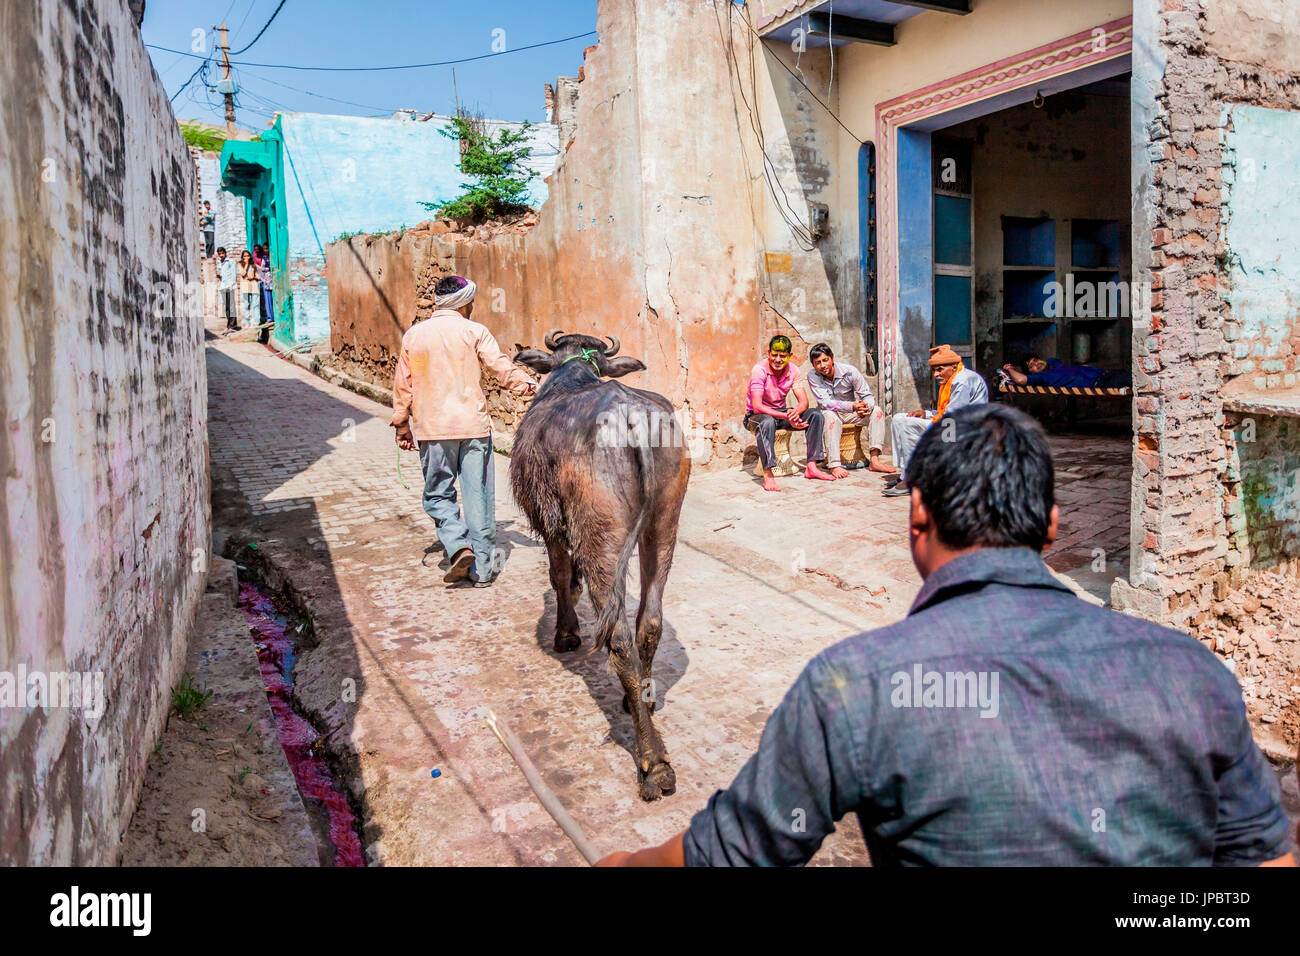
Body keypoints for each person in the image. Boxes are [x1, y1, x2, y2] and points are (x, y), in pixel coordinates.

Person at [596, 404, 1296, 867]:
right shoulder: (1190, 670)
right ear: (1051, 524)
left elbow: (727, 856)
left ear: (917, 515)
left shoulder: (853, 686)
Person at [390, 275, 538, 587]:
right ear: (463, 303)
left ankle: (457, 545)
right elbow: (500, 368)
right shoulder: (474, 331)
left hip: (433, 430)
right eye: (470, 301)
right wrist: (527, 385)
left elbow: (403, 386)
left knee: (438, 494)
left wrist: (402, 424)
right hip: (473, 428)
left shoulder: (413, 336)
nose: (472, 306)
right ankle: (483, 571)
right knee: (478, 497)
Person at [885, 344, 987, 497]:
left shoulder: (962, 381)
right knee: (899, 419)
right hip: (951, 422)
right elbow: (946, 411)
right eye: (934, 370)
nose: (936, 374)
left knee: (907, 425)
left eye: (940, 369)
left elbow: (951, 416)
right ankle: (905, 473)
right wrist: (925, 413)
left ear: (953, 366)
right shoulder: (952, 378)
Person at [744, 335, 834, 492]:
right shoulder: (759, 370)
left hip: (781, 414)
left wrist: (794, 414)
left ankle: (811, 467)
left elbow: (804, 401)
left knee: (815, 415)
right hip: (755, 417)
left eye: (783, 356)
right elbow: (757, 406)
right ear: (768, 353)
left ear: (789, 356)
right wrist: (786, 416)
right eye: (774, 355)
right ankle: (768, 475)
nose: (778, 359)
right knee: (767, 422)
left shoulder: (793, 370)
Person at [806, 343, 896, 479]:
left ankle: (875, 460)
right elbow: (825, 402)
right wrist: (853, 406)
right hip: (830, 412)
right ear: (813, 365)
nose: (822, 365)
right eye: (818, 363)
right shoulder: (813, 376)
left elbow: (867, 395)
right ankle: (834, 464)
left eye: (825, 360)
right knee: (830, 417)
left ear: (832, 358)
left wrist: (866, 408)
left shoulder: (849, 372)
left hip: (851, 413)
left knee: (877, 411)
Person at [1002, 356, 1132, 389]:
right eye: (1032, 366)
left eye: (1036, 360)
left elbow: (1050, 361)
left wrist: (1042, 364)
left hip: (1108, 374)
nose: (1036, 364)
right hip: (1101, 382)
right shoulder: (1042, 377)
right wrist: (1010, 369)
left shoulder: (1054, 364)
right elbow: (1021, 380)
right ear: (1031, 373)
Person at [216, 247, 237, 332]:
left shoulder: (231, 262)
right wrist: (219, 276)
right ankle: (229, 326)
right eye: (219, 254)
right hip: (223, 286)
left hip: (229, 286)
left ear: (225, 253)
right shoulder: (219, 263)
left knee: (231, 306)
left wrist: (232, 284)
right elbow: (221, 275)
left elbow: (233, 273)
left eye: (222, 253)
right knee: (227, 307)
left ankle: (233, 326)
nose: (221, 255)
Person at [238, 250, 260, 329]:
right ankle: (247, 322)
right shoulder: (240, 264)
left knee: (256, 305)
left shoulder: (253, 264)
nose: (246, 257)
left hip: (254, 286)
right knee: (246, 305)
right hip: (245, 287)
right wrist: (246, 264)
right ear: (242, 257)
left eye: (248, 256)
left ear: (250, 256)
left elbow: (258, 276)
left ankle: (256, 322)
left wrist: (254, 277)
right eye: (244, 256)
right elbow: (243, 273)